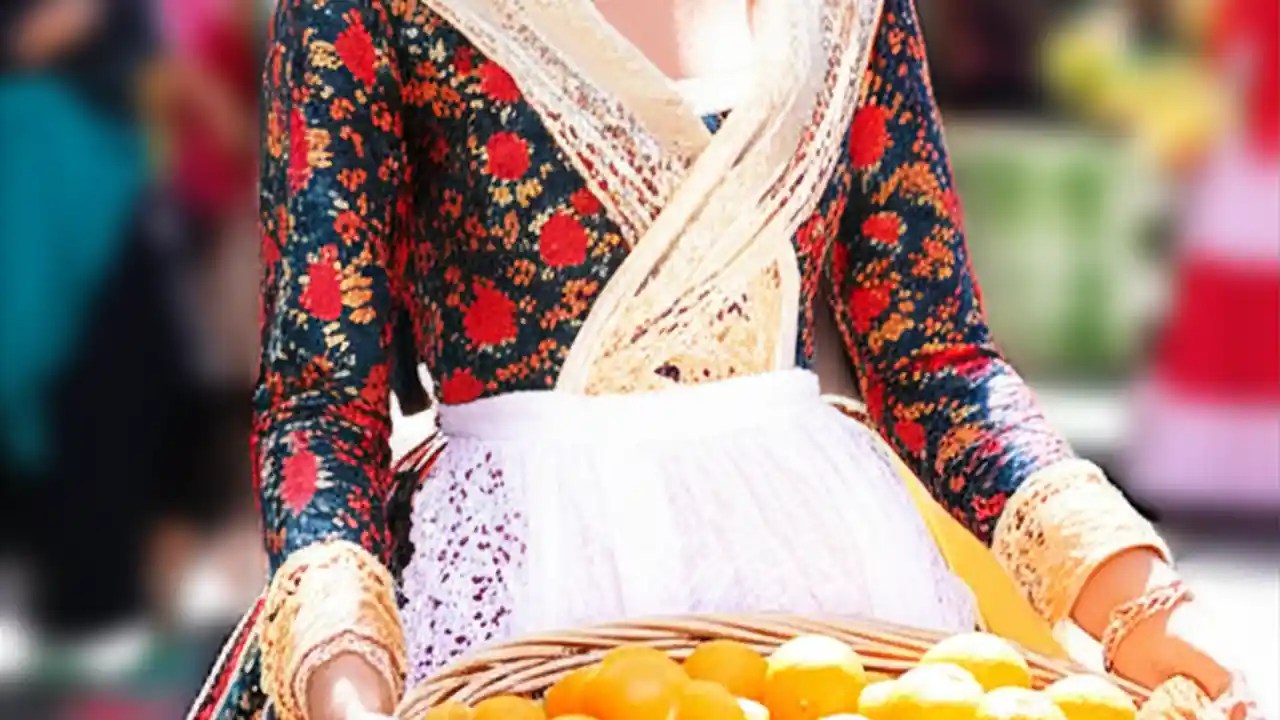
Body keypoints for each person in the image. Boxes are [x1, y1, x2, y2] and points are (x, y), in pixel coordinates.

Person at [190, 1, 1252, 718]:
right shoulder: (369, 11)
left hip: (837, 583)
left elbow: (933, 357)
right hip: (529, 584)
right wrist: (341, 671)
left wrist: (1134, 598)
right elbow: (321, 398)